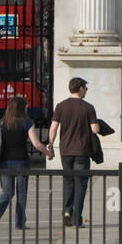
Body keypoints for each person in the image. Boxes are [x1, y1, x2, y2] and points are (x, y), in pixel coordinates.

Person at [47, 77, 99, 228]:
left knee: (68, 182)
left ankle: (67, 212)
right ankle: (77, 219)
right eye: (85, 88)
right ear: (80, 88)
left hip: (66, 150)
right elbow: (95, 129)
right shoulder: (88, 107)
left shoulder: (61, 106)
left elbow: (53, 128)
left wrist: (50, 145)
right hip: (82, 151)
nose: (86, 91)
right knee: (81, 185)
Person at [0, 96, 49, 230]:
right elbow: (36, 144)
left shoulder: (2, 123)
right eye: (26, 105)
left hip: (4, 162)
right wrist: (48, 153)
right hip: (21, 162)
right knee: (21, 193)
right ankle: (19, 223)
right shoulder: (27, 122)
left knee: (7, 192)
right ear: (21, 108)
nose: (27, 107)